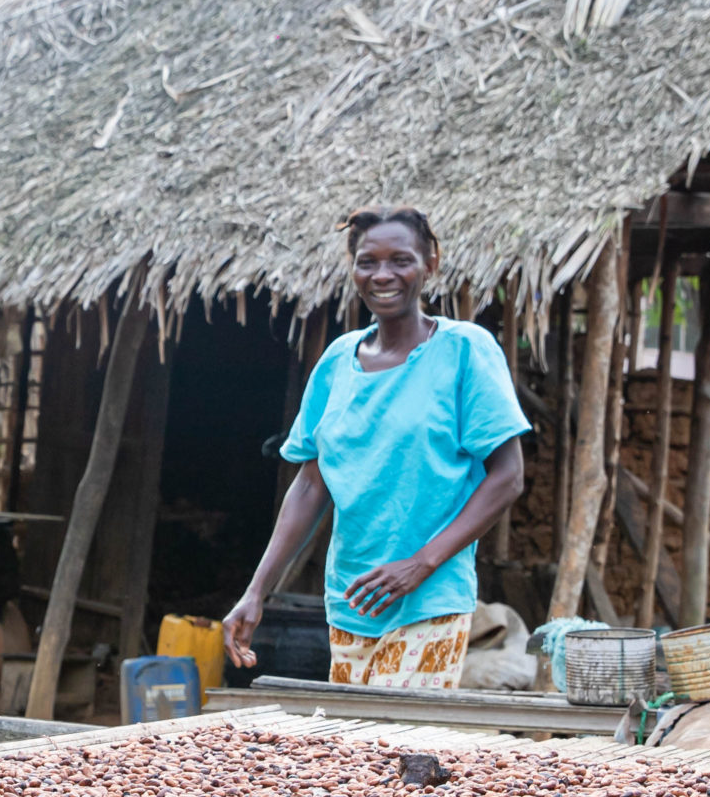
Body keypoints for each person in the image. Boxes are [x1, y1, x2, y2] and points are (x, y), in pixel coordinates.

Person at [222, 206, 528, 689]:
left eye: (400, 260)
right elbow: (309, 484)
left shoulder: (465, 350)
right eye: (368, 262)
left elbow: (508, 476)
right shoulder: (337, 362)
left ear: (430, 264)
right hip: (351, 600)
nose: (383, 275)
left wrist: (420, 563)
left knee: (397, 744)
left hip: (429, 599)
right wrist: (257, 590)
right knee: (358, 748)